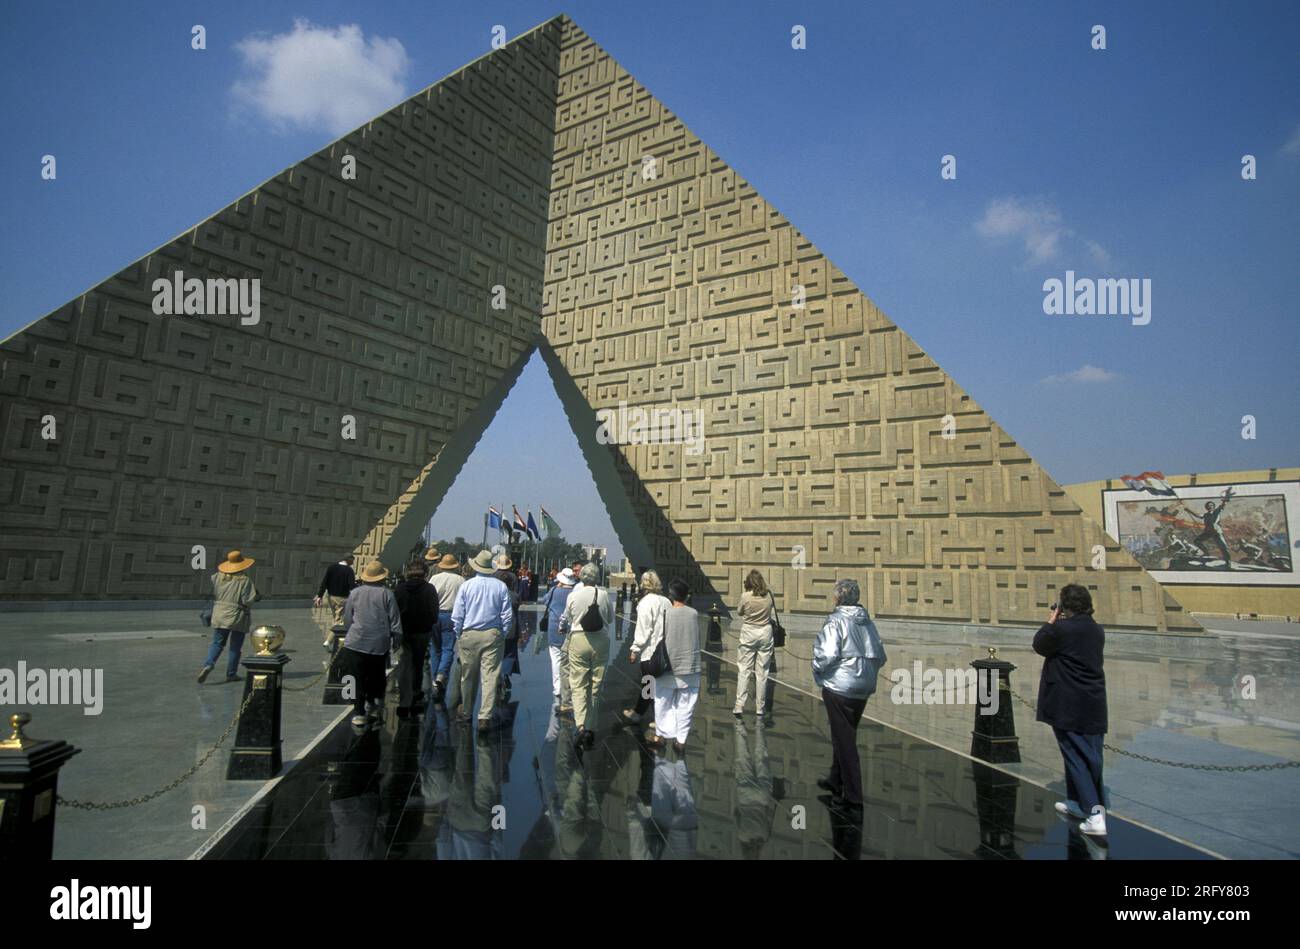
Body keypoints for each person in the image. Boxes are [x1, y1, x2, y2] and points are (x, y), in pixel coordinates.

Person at [1033, 583, 1109, 836]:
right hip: (1093, 702)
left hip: (1068, 702)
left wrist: (1051, 621)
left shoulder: (1062, 630)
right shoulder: (1096, 630)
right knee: (1090, 754)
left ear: (1065, 605)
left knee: (1075, 755)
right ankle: (1077, 802)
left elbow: (1040, 644)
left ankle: (1094, 814)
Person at [812, 578, 886, 813]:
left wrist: (817, 669)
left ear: (838, 598)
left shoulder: (835, 620)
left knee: (845, 741)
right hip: (862, 688)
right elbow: (881, 655)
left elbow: (827, 654)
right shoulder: (867, 621)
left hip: (839, 688)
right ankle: (836, 779)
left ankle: (853, 796)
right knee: (845, 734)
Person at [451, 550, 513, 733]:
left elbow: (458, 615)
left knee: (468, 676)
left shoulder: (467, 586)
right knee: (490, 676)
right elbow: (507, 615)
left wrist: (458, 634)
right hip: (492, 634)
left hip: (469, 633)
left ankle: (467, 712)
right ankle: (484, 716)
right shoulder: (500, 586)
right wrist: (503, 632)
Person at [340, 560, 403, 727]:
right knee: (376, 676)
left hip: (355, 642)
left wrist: (349, 631)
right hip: (378, 643)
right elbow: (394, 620)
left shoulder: (355, 593)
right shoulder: (387, 594)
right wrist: (396, 639)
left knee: (356, 677)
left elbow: (348, 617)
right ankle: (373, 703)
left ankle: (358, 711)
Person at [562, 562, 613, 750]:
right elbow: (610, 618)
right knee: (596, 684)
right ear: (597, 577)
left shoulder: (573, 595)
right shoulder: (604, 595)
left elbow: (568, 618)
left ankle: (580, 724)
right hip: (600, 640)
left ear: (582, 577)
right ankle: (591, 726)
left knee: (578, 683)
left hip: (578, 639)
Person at [648, 578, 701, 754]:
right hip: (690, 666)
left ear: (670, 596)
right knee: (686, 705)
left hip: (668, 666)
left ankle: (661, 735)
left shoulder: (666, 613)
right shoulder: (694, 613)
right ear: (686, 596)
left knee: (662, 701)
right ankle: (681, 740)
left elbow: (657, 638)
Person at [198, 550, 261, 683]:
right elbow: (247, 600)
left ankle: (208, 664)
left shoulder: (217, 577)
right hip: (237, 615)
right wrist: (256, 597)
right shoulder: (245, 581)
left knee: (217, 643)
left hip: (219, 613)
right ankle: (231, 674)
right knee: (235, 647)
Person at [623, 570, 670, 729]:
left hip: (650, 651)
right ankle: (639, 712)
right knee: (658, 685)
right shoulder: (666, 601)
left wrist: (635, 649)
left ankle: (655, 717)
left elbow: (644, 629)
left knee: (649, 683)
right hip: (666, 650)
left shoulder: (645, 603)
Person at [394, 560, 439, 719]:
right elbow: (434, 612)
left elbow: (394, 611)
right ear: (425, 573)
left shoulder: (399, 589)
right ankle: (415, 693)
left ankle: (404, 698)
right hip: (422, 631)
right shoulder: (429, 589)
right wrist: (429, 623)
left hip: (404, 631)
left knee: (405, 663)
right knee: (418, 664)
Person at [734, 568, 776, 725]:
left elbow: (739, 612)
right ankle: (760, 707)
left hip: (749, 633)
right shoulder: (769, 596)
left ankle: (739, 705)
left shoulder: (745, 596)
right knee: (762, 673)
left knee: (744, 670)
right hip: (765, 632)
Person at [428, 553, 465, 701]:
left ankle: (434, 675)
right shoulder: (461, 580)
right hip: (452, 615)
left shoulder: (434, 579)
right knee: (448, 647)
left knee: (434, 648)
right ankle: (442, 675)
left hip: (435, 614)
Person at [542, 568, 577, 713]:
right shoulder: (575, 592)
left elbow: (545, 601)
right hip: (570, 630)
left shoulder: (554, 591)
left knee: (555, 659)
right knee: (569, 661)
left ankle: (557, 688)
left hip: (554, 628)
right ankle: (569, 687)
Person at [494, 553, 523, 699]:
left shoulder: (493, 576)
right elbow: (518, 598)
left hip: (495, 623)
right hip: (512, 623)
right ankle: (506, 674)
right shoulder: (513, 578)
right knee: (510, 652)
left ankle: (496, 675)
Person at [314, 554, 356, 647]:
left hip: (330, 597)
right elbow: (352, 586)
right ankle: (328, 642)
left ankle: (333, 640)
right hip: (342, 598)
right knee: (339, 621)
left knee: (336, 618)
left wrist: (320, 596)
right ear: (348, 560)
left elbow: (324, 582)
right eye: (352, 560)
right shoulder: (349, 570)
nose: (353, 563)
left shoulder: (332, 567)